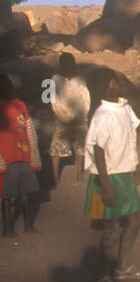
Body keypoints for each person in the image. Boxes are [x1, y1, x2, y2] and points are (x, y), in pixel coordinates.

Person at [83, 70, 140, 282]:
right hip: (108, 177)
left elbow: (131, 139)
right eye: (116, 81)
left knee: (135, 220)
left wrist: (136, 166)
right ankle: (102, 276)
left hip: (125, 173)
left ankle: (123, 267)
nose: (121, 83)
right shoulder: (102, 115)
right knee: (111, 230)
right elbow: (99, 151)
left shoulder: (125, 108)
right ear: (106, 87)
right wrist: (107, 185)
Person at [0, 74, 42, 235]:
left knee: (25, 193)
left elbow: (29, 129)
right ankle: (7, 228)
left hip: (24, 156)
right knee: (7, 195)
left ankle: (27, 226)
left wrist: (34, 154)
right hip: (7, 159)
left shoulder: (20, 106)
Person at [49, 53, 91, 186]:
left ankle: (79, 174)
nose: (70, 64)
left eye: (72, 61)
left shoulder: (81, 79)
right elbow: (53, 100)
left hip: (79, 119)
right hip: (62, 119)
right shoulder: (55, 79)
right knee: (56, 149)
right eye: (67, 62)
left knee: (80, 148)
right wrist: (63, 115)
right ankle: (55, 179)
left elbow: (86, 99)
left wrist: (81, 115)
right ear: (62, 64)